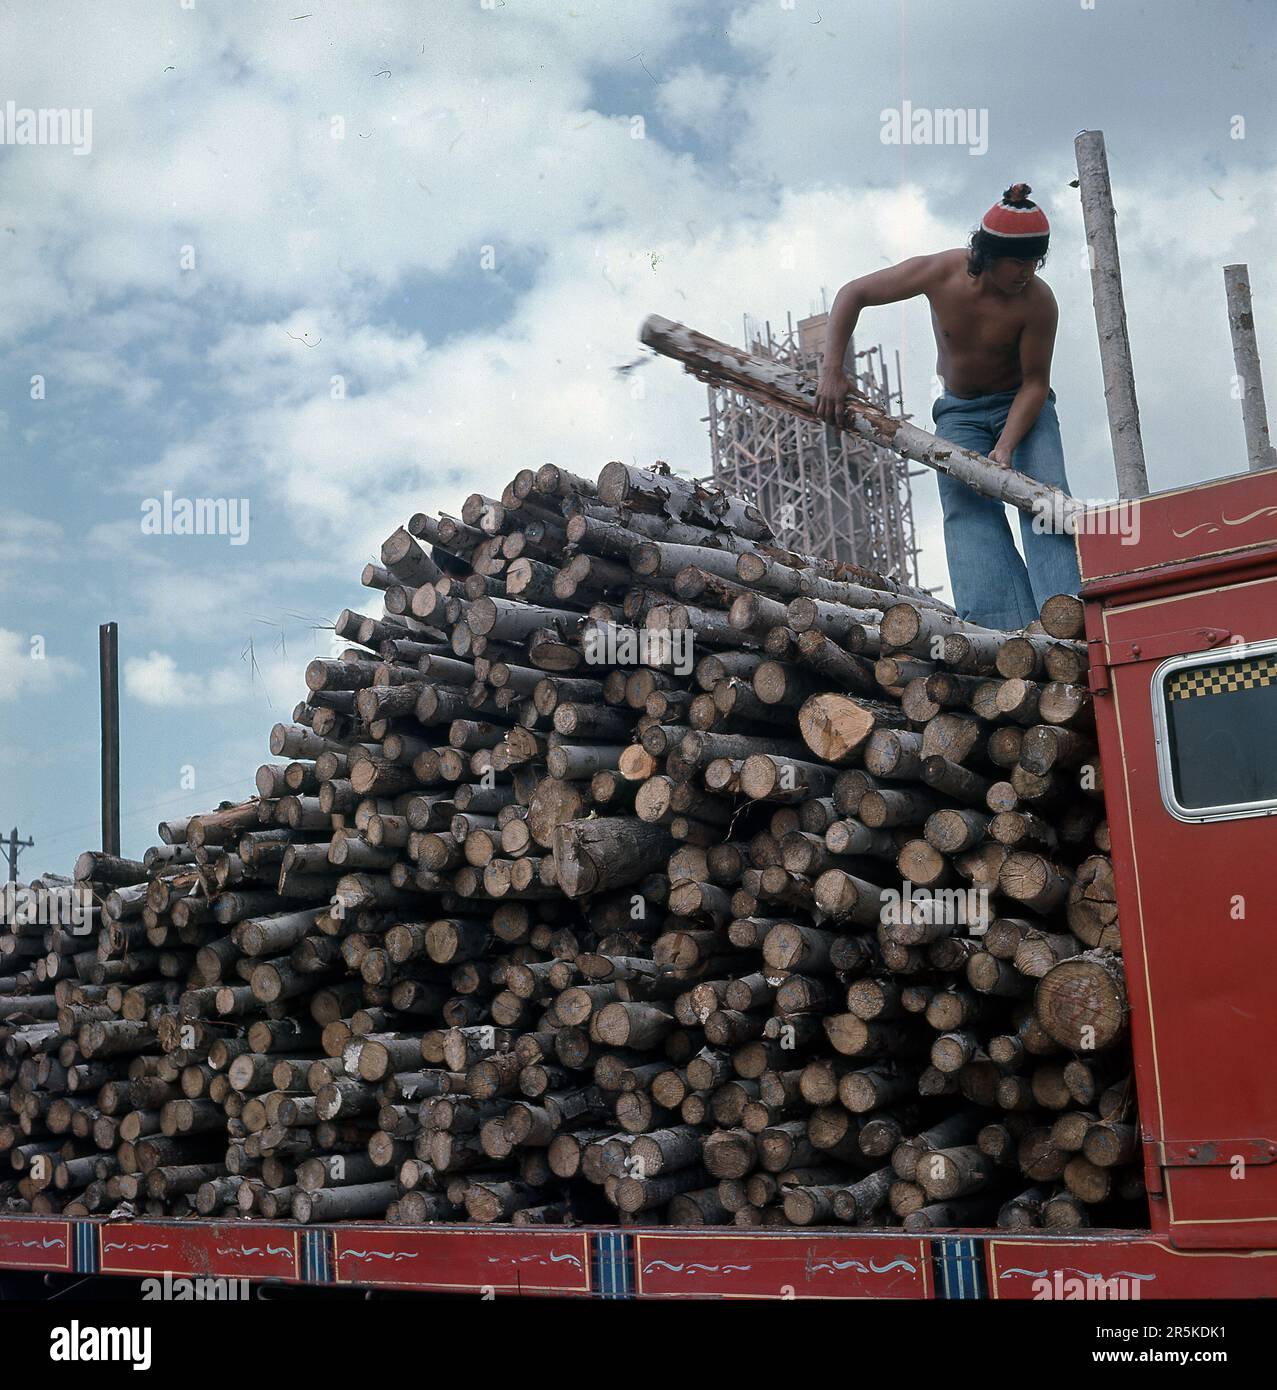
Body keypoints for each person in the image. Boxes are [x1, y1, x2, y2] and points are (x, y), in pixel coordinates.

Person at [814, 184, 1081, 631]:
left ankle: (1068, 618)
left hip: (1024, 411)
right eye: (1017, 261)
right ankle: (1002, 631)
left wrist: (1007, 445)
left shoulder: (1037, 301)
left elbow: (1035, 383)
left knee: (1045, 502)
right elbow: (852, 293)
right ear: (987, 255)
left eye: (1034, 262)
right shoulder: (941, 272)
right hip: (959, 412)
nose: (1026, 272)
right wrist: (832, 370)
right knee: (965, 509)